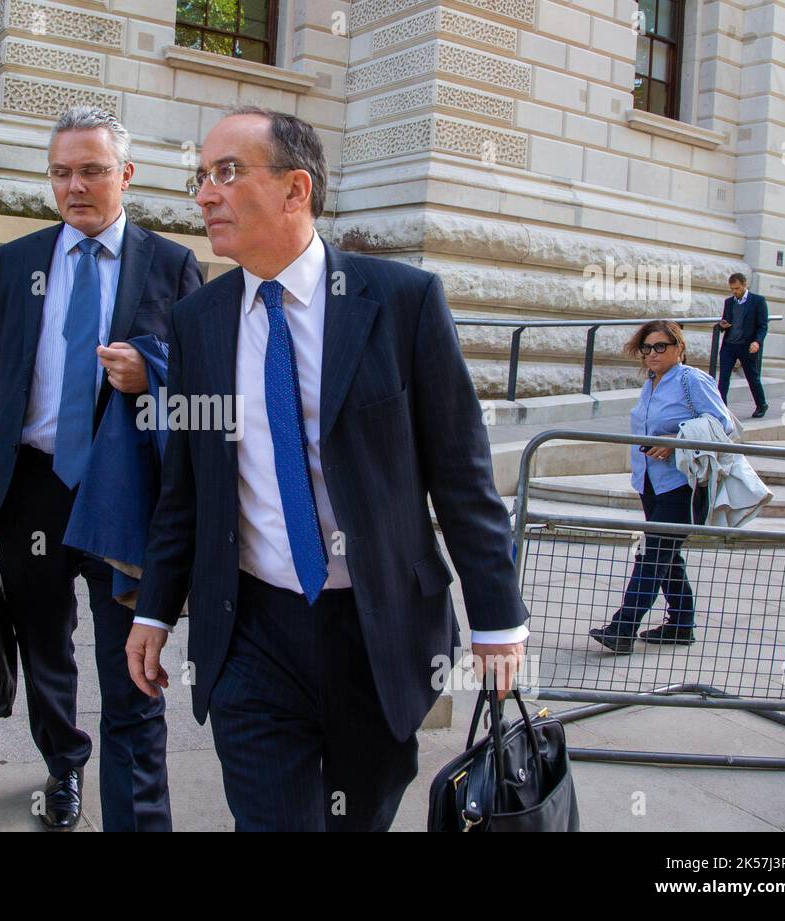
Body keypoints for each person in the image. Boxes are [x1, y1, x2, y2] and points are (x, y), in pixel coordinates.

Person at [124, 106, 528, 832]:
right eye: (200, 177)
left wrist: (498, 616)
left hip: (377, 629)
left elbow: (461, 472)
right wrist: (155, 605)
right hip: (250, 627)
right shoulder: (198, 322)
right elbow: (187, 486)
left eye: (227, 172)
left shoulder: (402, 302)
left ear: (295, 189)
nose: (205, 194)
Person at [0, 106, 203, 831]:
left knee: (134, 666)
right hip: (32, 488)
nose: (75, 186)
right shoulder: (18, 261)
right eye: (61, 172)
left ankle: (138, 814)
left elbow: (200, 389)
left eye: (92, 170)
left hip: (122, 498)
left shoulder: (170, 264)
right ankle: (64, 763)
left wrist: (150, 379)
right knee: (43, 645)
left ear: (125, 175)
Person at [588, 320, 734, 654]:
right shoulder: (652, 383)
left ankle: (623, 627)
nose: (652, 354)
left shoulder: (691, 379)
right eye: (647, 348)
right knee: (666, 556)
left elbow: (722, 423)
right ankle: (681, 625)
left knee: (652, 555)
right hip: (650, 482)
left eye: (660, 346)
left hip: (682, 484)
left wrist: (676, 440)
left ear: (678, 348)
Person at [716, 272, 770, 418]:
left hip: (747, 346)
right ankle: (722, 409)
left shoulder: (758, 301)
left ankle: (761, 404)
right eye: (732, 289)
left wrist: (757, 342)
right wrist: (723, 325)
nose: (735, 292)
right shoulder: (729, 302)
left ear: (745, 285)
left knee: (752, 377)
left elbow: (763, 326)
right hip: (729, 345)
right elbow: (724, 321)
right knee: (723, 378)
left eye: (737, 288)